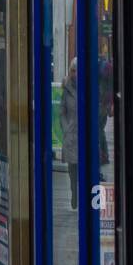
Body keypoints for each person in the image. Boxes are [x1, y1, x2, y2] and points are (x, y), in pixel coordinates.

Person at [60, 57, 79, 211]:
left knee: (82, 168)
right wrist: (66, 128)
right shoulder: (66, 89)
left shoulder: (87, 87)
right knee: (72, 170)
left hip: (82, 135)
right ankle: (74, 193)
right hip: (71, 135)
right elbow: (62, 112)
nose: (75, 74)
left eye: (77, 70)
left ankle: (81, 193)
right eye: (73, 71)